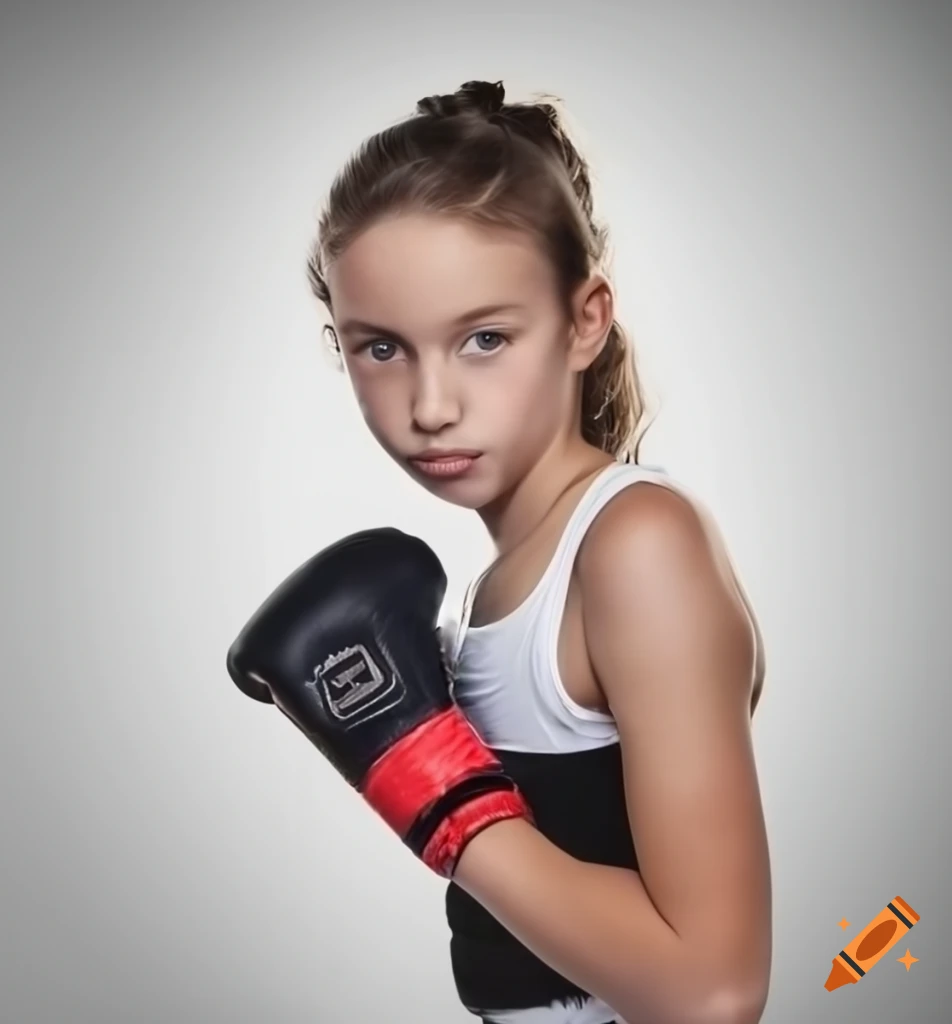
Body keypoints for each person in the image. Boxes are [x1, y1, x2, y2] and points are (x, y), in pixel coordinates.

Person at [232, 79, 771, 1024]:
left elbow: (714, 991)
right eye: (382, 349)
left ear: (585, 321)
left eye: (483, 337)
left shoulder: (635, 547)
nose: (431, 404)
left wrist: (428, 783)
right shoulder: (494, 585)